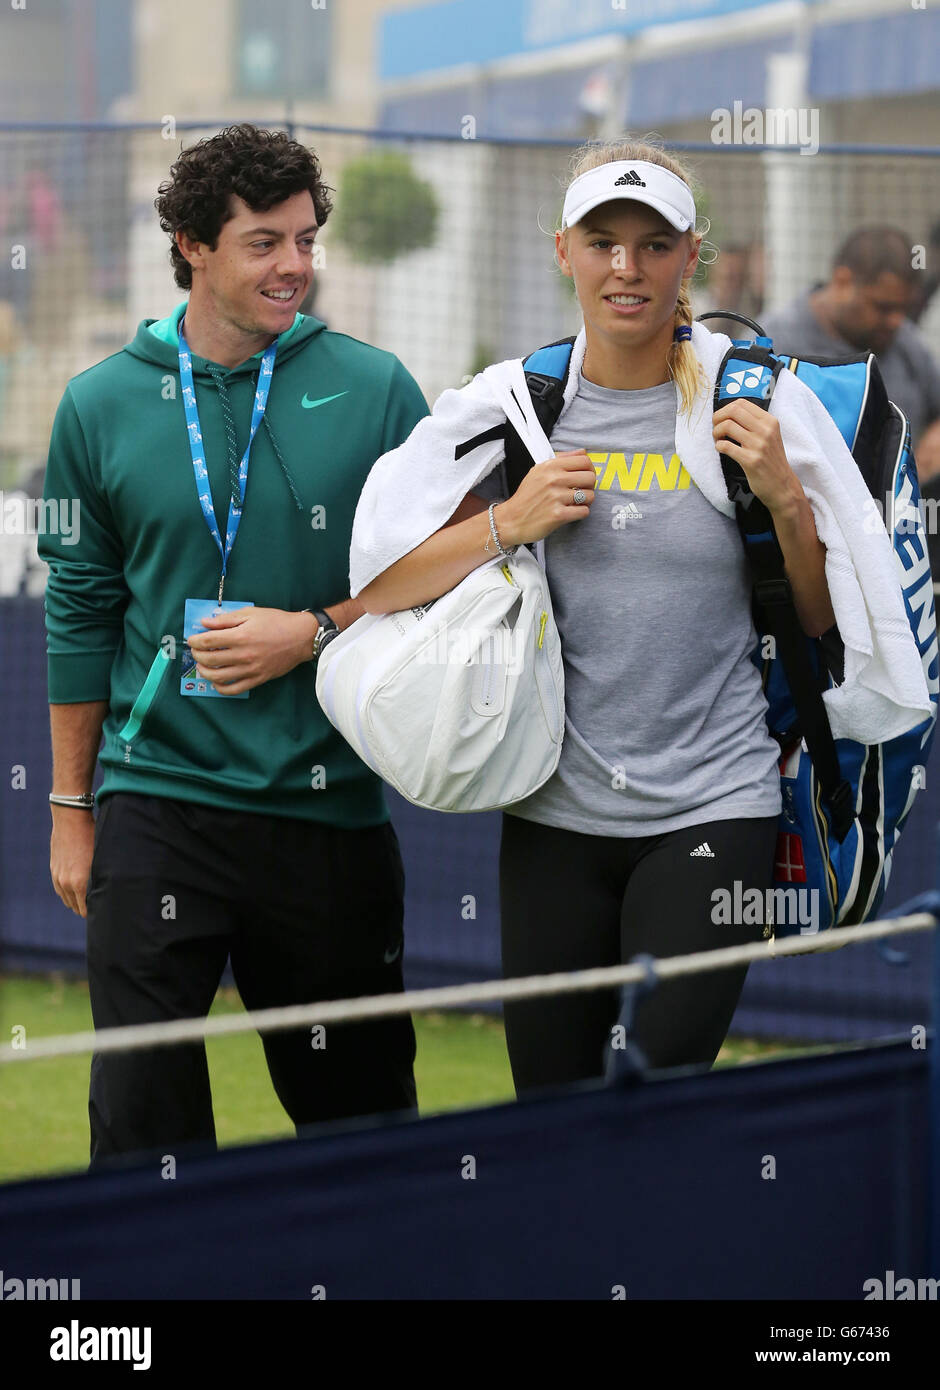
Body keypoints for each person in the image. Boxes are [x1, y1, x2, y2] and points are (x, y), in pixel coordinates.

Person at [349, 138, 851, 1094]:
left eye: (654, 244)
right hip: (553, 813)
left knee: (659, 1092)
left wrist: (785, 498)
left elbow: (820, 626)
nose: (628, 268)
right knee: (550, 1106)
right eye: (603, 241)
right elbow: (385, 586)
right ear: (563, 251)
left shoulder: (758, 400)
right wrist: (509, 520)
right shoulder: (517, 406)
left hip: (718, 807)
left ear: (690, 256)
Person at [39, 124, 428, 1167]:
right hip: (155, 799)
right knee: (141, 1121)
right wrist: (73, 807)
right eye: (264, 242)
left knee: (362, 1124)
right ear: (190, 246)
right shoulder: (98, 404)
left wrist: (310, 633)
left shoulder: (378, 389)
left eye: (305, 239)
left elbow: (445, 579)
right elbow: (77, 610)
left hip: (326, 808)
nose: (295, 264)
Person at [760, 226, 940, 450]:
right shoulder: (774, 341)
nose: (896, 320)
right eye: (884, 307)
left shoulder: (906, 342)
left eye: (904, 308)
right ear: (842, 281)